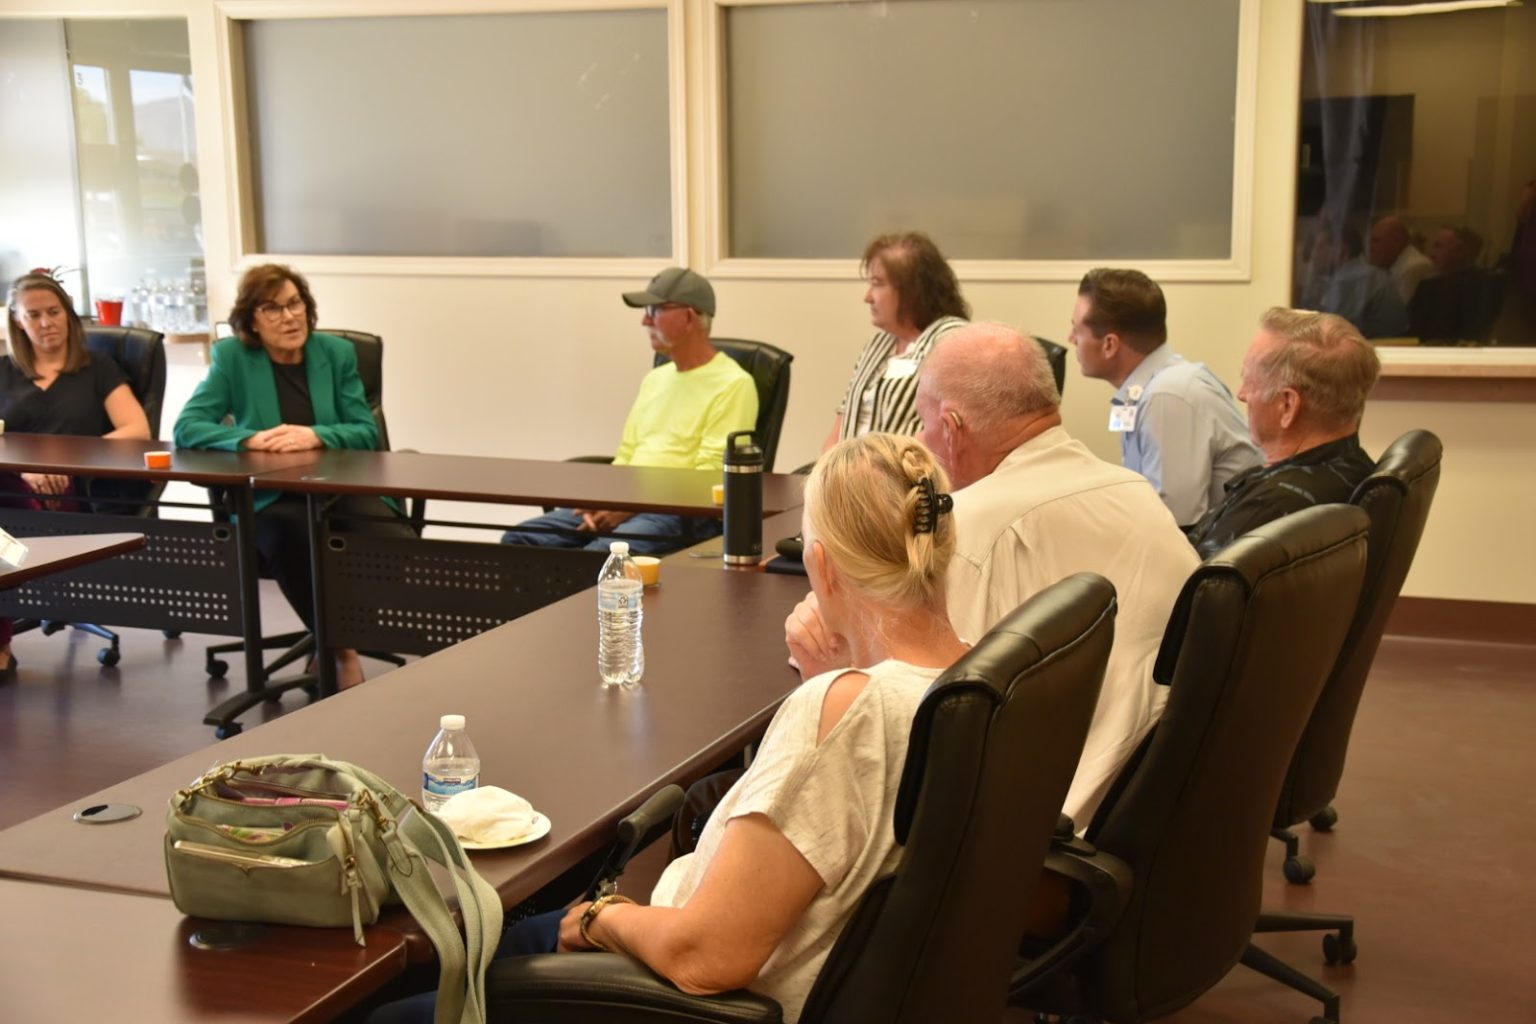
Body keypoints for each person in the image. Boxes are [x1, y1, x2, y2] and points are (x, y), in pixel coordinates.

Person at [371, 434, 969, 1024]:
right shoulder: (976, 677)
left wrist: (599, 917)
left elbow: (704, 958)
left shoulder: (845, 709)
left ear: (821, 566)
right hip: (796, 969)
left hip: (689, 996)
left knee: (387, 1010)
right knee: (502, 939)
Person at [173, 263, 412, 690]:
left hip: (342, 487)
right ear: (251, 321)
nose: (289, 317)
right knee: (291, 534)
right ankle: (340, 648)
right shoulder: (233, 358)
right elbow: (188, 427)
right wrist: (251, 439)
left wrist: (314, 434)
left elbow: (365, 431)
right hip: (272, 496)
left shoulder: (336, 354)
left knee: (392, 540)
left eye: (295, 303)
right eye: (273, 308)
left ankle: (334, 636)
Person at [500, 267, 756, 553]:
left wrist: (629, 507)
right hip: (628, 502)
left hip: (682, 513)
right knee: (520, 541)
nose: (645, 320)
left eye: (655, 310)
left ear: (689, 317)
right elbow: (626, 455)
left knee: (601, 555)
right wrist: (606, 501)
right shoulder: (655, 379)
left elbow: (709, 478)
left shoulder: (734, 384)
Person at [0, 270, 153, 681]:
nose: (46, 322)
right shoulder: (3, 371)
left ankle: (0, 646)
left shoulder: (97, 368)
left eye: (54, 312)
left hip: (78, 492)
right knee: (5, 525)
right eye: (34, 315)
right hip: (15, 488)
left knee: (4, 537)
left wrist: (62, 468)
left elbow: (136, 430)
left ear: (68, 315)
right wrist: (27, 472)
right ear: (18, 320)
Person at [1069, 268, 1261, 527]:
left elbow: (1175, 523)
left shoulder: (1168, 396)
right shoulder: (1145, 390)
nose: (1071, 340)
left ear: (1109, 345)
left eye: (1076, 330)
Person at [1186, 308, 1381, 560]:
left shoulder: (1272, 508)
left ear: (1287, 405)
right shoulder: (1355, 466)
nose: (1241, 394)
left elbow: (1186, 590)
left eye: (1249, 380)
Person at [822, 231, 969, 451]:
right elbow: (841, 423)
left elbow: (941, 437)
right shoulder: (879, 344)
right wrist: (826, 472)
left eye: (878, 284)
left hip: (902, 477)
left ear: (913, 291)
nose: (868, 297)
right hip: (848, 474)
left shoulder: (951, 341)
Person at [1301, 224, 1411, 339]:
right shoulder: (1362, 273)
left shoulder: (1353, 278)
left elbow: (1328, 331)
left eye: (1319, 248)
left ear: (1341, 251)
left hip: (1384, 349)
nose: (1313, 255)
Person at [1368, 214, 1433, 305]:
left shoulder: (1413, 267)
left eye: (1376, 241)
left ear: (1396, 241)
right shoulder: (1396, 266)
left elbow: (1394, 312)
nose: (1371, 248)